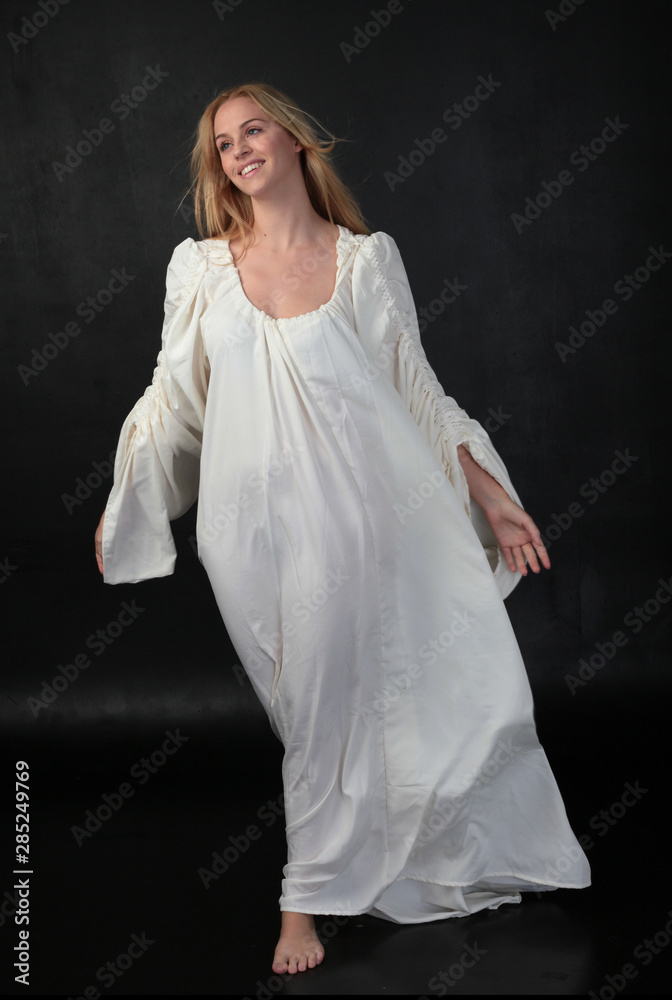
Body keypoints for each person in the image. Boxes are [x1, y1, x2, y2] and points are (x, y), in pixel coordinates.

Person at [94, 82, 590, 976]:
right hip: (245, 533)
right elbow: (173, 400)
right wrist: (125, 499)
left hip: (363, 520)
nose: (239, 149)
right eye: (224, 144)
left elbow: (417, 389)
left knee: (329, 705)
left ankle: (302, 902)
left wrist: (488, 492)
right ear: (222, 169)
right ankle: (389, 851)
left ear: (294, 143)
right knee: (312, 705)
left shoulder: (366, 260)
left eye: (254, 131)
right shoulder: (200, 269)